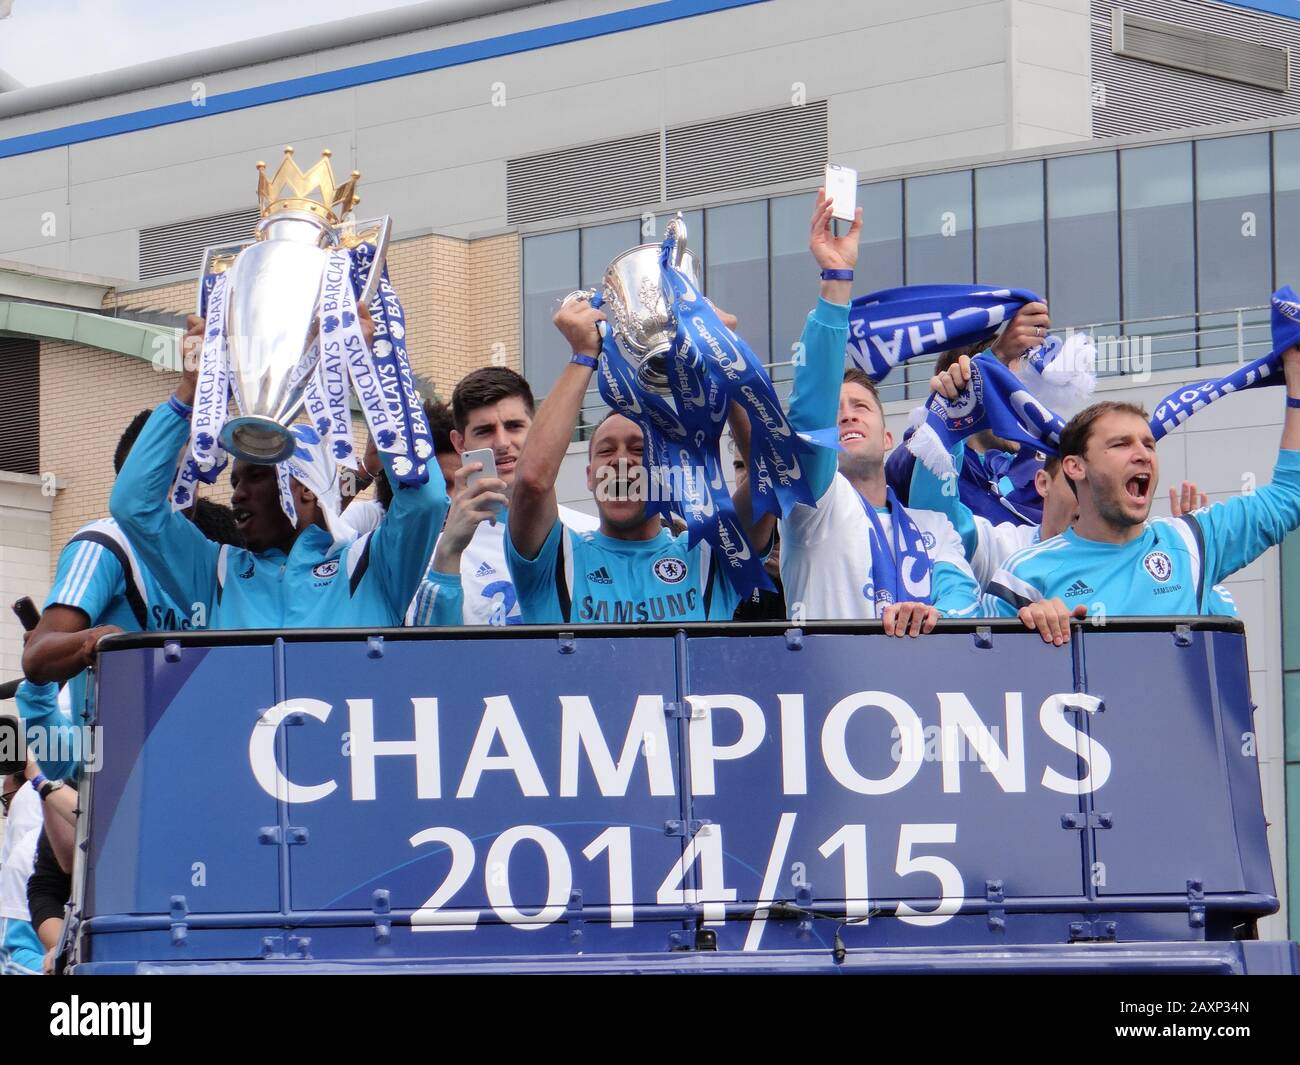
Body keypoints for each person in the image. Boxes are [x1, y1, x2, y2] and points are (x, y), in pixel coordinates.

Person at [110, 316, 448, 629]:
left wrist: (371, 370)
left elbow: (427, 501)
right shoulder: (214, 574)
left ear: (306, 489)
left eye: (257, 477)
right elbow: (133, 506)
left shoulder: (372, 566)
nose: (237, 494)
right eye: (235, 481)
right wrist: (189, 393)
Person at [776, 190, 981, 636]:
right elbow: (810, 417)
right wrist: (836, 280)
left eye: (861, 407)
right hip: (830, 697)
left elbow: (967, 606)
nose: (846, 416)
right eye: (838, 411)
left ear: (888, 440)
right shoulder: (813, 508)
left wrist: (937, 617)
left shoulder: (935, 526)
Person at [985, 353, 1300, 641]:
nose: (1143, 455)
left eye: (1148, 445)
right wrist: (1028, 632)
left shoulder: (1193, 540)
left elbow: (1289, 495)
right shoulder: (1023, 574)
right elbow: (981, 674)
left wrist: (1296, 374)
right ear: (1076, 466)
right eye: (1121, 444)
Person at [504, 301, 765, 625]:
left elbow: (768, 472)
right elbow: (531, 482)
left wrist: (721, 350)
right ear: (589, 476)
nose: (621, 461)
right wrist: (583, 355)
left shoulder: (708, 554)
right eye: (605, 451)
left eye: (640, 449)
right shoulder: (556, 558)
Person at [408, 368, 598, 627]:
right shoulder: (433, 554)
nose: (502, 442)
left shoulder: (591, 532)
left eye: (514, 426)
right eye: (485, 430)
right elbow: (430, 655)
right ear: (460, 443)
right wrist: (449, 554)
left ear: (537, 429)